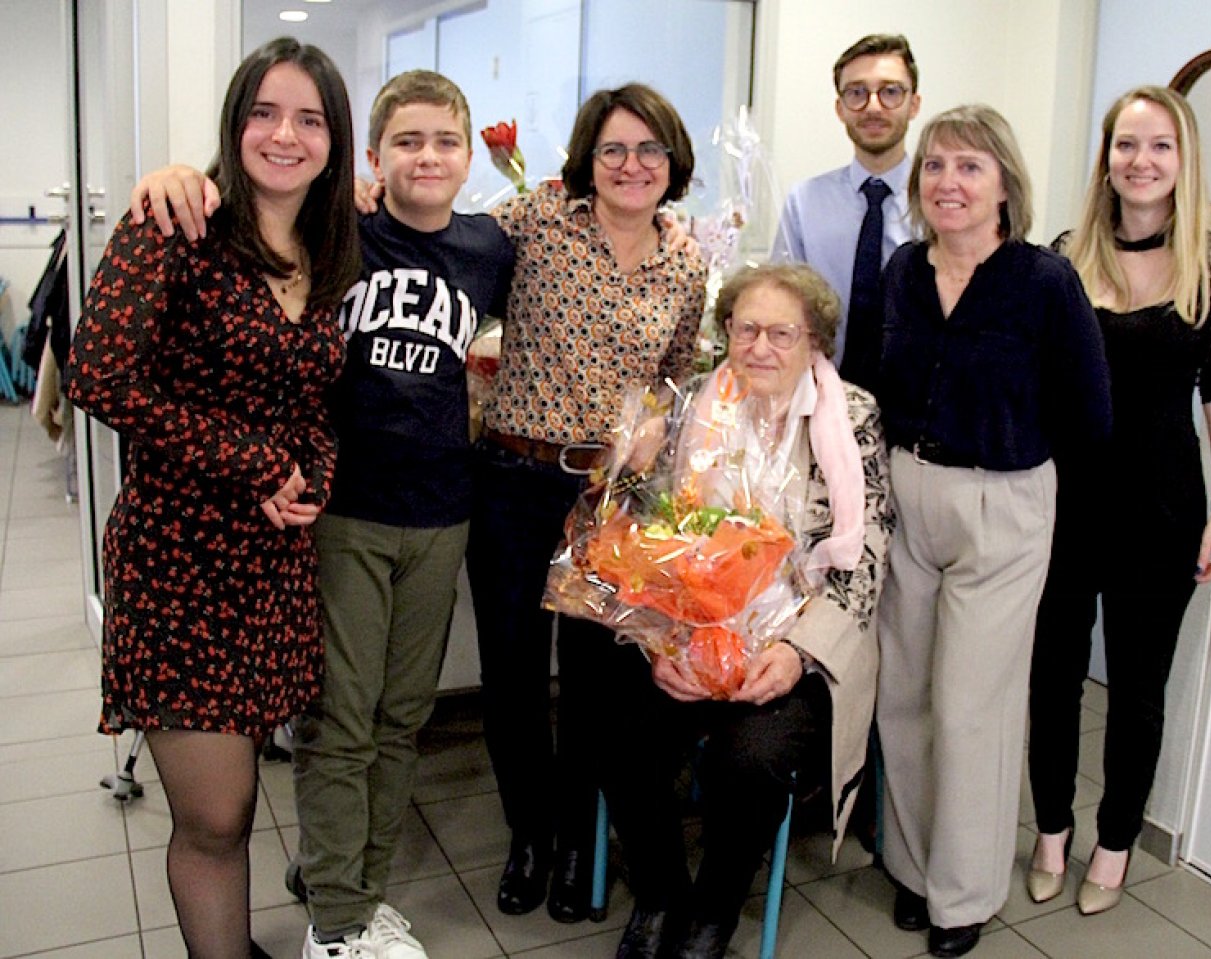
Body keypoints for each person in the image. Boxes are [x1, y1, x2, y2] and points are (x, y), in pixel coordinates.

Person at [130, 70, 517, 958]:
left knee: (402, 715)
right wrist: (176, 176)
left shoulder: (491, 248)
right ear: (372, 156)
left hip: (441, 510)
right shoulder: (338, 234)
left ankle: (350, 882)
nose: (428, 157)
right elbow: (252, 194)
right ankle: (340, 922)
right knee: (341, 717)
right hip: (341, 510)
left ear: (470, 157)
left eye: (446, 142)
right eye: (407, 141)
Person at [65, 37, 361, 959]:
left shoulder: (326, 250)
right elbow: (97, 375)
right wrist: (253, 465)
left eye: (309, 119)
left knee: (240, 804)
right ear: (234, 127)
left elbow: (310, 399)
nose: (285, 135)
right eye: (264, 113)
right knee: (216, 813)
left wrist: (307, 470)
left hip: (270, 564)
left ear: (333, 140)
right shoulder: (175, 222)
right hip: (178, 559)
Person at [464, 83, 707, 923]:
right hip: (516, 480)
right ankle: (528, 832)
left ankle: (576, 841)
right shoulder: (536, 219)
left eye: (649, 150)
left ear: (671, 163)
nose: (631, 165)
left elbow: (677, 368)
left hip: (614, 498)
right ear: (587, 159)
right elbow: (447, 251)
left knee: (598, 686)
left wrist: (654, 423)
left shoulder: (687, 258)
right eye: (613, 149)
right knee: (515, 673)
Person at [599, 262, 893, 959]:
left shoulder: (850, 415)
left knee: (749, 757)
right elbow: (656, 530)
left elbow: (867, 557)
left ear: (815, 340)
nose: (760, 346)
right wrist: (666, 638)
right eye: (746, 328)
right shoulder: (699, 399)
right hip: (693, 631)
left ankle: (715, 908)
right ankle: (661, 892)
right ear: (724, 330)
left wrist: (796, 653)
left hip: (792, 641)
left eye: (781, 333)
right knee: (618, 727)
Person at [872, 105, 1111, 958]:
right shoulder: (903, 270)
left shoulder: (1044, 281)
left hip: (1003, 501)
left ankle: (962, 892)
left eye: (969, 166)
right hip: (910, 490)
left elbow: (1089, 414)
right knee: (902, 693)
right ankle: (910, 865)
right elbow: (869, 380)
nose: (949, 183)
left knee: (971, 706)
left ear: (1005, 181)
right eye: (935, 166)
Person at [1025, 86, 1211, 916]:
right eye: (1127, 144)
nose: (1141, 161)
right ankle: (1051, 828)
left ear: (1183, 160)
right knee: (1051, 677)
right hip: (1062, 499)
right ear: (1106, 156)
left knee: (1138, 686)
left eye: (1160, 146)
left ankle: (1114, 842)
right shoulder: (1061, 255)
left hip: (1161, 504)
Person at [770, 34, 921, 391]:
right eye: (856, 92)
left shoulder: (939, 204)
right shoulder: (805, 202)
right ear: (839, 108)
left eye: (890, 91)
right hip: (820, 395)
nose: (873, 106)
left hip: (915, 401)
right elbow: (780, 304)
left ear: (913, 104)